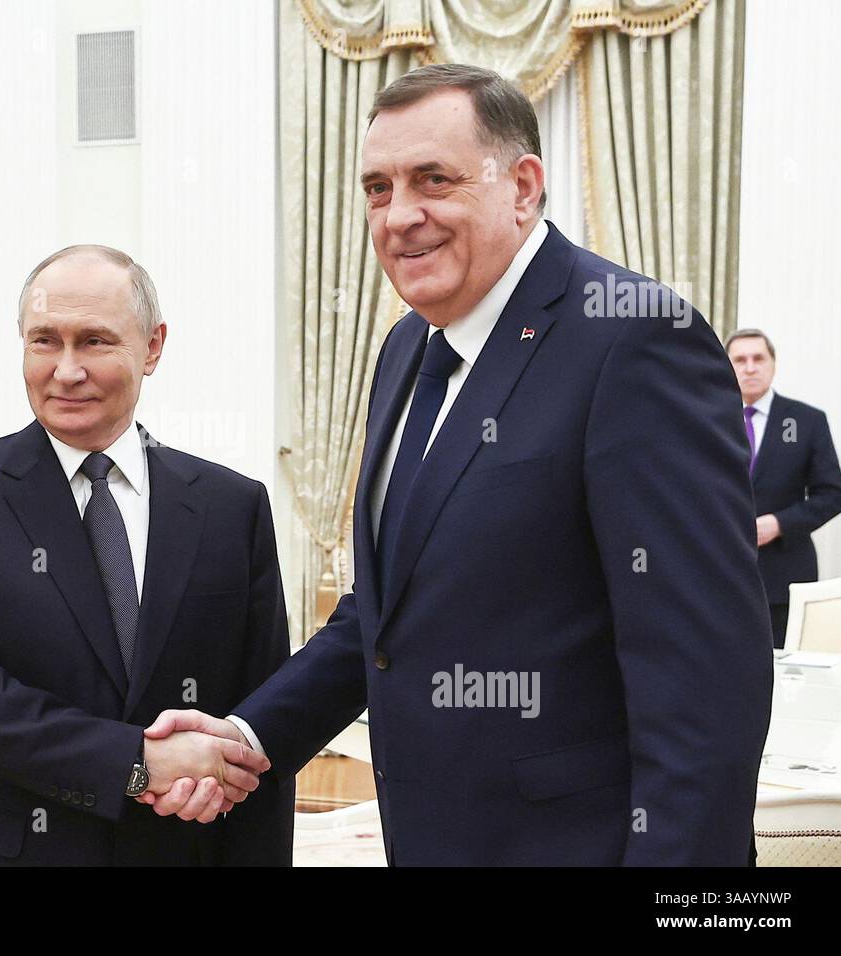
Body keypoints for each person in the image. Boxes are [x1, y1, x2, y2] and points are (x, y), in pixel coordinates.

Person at [142, 64, 773, 866]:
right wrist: (247, 735)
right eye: (377, 188)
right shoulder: (407, 349)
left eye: (431, 180)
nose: (400, 216)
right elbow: (385, 614)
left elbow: (704, 678)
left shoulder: (635, 339)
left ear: (523, 186)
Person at [0, 245, 293, 866]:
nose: (66, 369)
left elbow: (261, 717)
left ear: (153, 346)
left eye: (95, 342)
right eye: (44, 341)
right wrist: (134, 763)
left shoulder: (231, 507)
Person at [726, 328, 841, 647]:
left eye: (758, 358)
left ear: (773, 365)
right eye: (740, 360)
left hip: (783, 577)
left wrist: (778, 524)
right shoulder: (707, 420)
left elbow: (832, 494)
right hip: (719, 574)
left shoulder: (807, 421)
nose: (750, 367)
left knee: (781, 680)